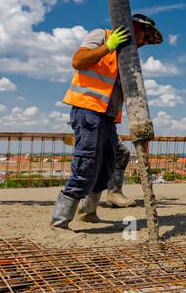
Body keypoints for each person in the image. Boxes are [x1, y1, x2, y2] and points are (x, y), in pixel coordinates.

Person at [51, 14, 162, 229]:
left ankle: (88, 212)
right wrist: (108, 47)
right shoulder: (102, 36)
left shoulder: (127, 58)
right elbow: (78, 61)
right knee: (87, 165)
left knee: (107, 165)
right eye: (143, 36)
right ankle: (60, 222)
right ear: (133, 27)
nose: (143, 43)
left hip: (108, 119)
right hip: (88, 110)